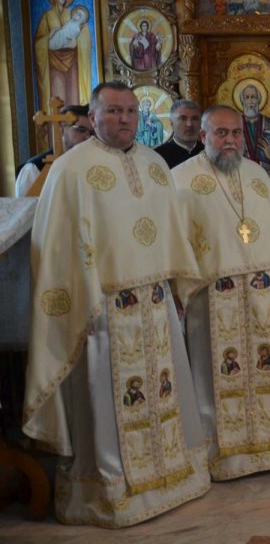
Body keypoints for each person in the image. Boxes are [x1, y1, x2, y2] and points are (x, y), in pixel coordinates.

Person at [23, 81, 211, 527]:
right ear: (93, 115)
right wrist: (77, 307)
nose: (123, 119)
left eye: (130, 111)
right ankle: (111, 489)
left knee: (163, 393)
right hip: (103, 310)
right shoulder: (70, 170)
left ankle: (169, 477)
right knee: (108, 402)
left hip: (156, 303)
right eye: (112, 111)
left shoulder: (153, 164)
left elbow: (172, 231)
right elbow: (57, 248)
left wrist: (176, 285)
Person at [172, 104, 270, 480]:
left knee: (268, 366)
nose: (229, 140)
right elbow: (177, 241)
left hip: (260, 293)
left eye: (234, 133)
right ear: (203, 136)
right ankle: (221, 455)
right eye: (220, 133)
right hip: (210, 299)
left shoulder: (258, 175)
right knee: (214, 374)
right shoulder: (181, 179)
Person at [34, 0, 93, 110]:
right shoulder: (47, 15)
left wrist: (77, 39)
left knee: (73, 95)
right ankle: (58, 130)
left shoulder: (73, 15)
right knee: (57, 95)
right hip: (54, 63)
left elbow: (82, 31)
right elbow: (39, 42)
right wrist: (50, 36)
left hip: (72, 62)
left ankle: (76, 129)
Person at [16, 104, 92, 196]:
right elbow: (26, 207)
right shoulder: (34, 169)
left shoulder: (91, 164)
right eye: (81, 130)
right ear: (61, 129)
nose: (88, 137)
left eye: (92, 133)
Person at [238, 83, 270, 208]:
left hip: (267, 189)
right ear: (242, 101)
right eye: (247, 97)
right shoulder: (235, 125)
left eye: (254, 97)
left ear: (259, 100)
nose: (251, 101)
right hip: (242, 190)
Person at [154, 100, 204, 168]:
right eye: (183, 119)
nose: (189, 124)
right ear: (172, 123)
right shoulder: (158, 156)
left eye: (194, 119)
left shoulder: (209, 151)